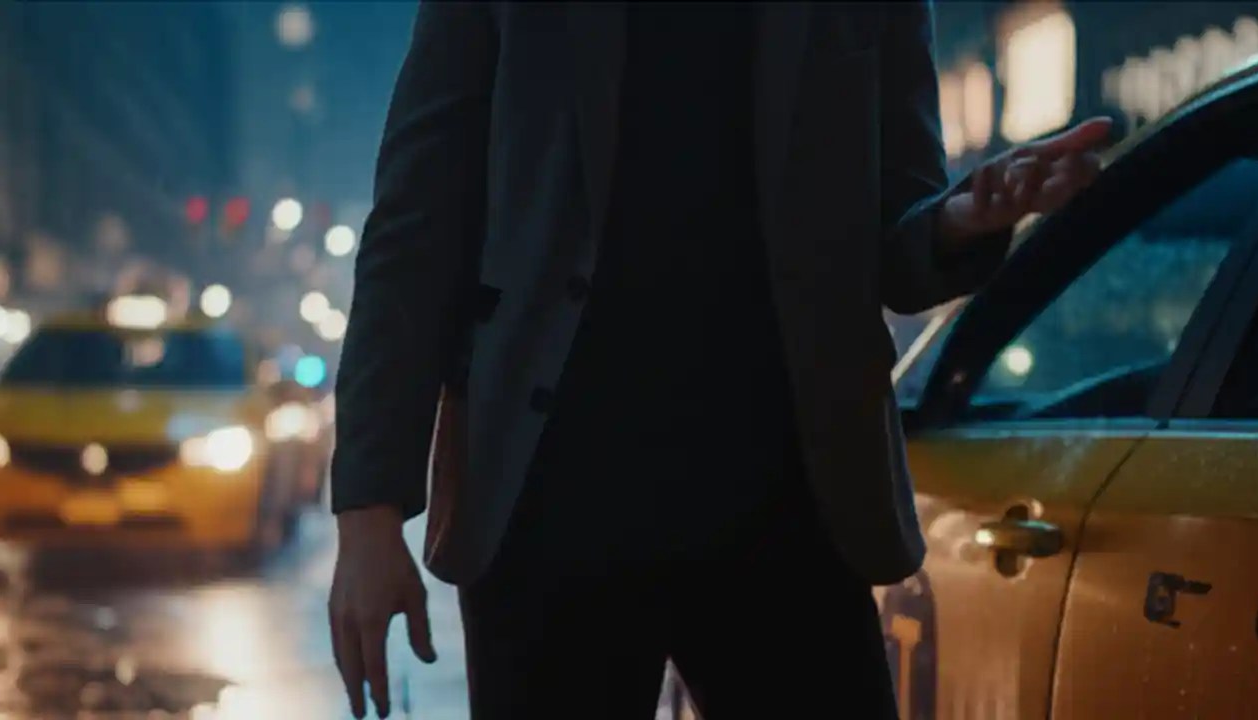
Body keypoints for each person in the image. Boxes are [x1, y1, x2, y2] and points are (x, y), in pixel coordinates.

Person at [327, 3, 1110, 718]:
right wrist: (369, 514)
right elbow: (414, 228)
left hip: (788, 501)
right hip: (550, 503)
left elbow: (898, 243)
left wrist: (967, 217)